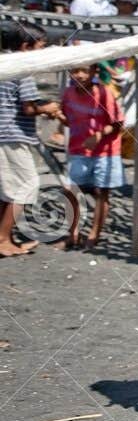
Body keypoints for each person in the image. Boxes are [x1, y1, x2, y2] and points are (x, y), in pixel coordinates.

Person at [0, 21, 59, 256]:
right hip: (12, 135)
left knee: (7, 189)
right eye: (41, 46)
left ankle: (6, 236)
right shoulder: (22, 70)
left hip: (2, 134)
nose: (42, 51)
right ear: (26, 46)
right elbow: (28, 108)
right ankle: (3, 239)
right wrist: (49, 107)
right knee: (27, 186)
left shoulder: (4, 63)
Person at [60, 64, 124, 248]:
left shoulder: (104, 94)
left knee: (102, 192)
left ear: (94, 72)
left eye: (84, 71)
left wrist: (99, 135)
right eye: (75, 70)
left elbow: (118, 123)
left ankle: (94, 235)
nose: (79, 75)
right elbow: (68, 119)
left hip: (105, 151)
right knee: (72, 191)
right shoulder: (68, 94)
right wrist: (57, 115)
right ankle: (73, 233)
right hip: (78, 148)